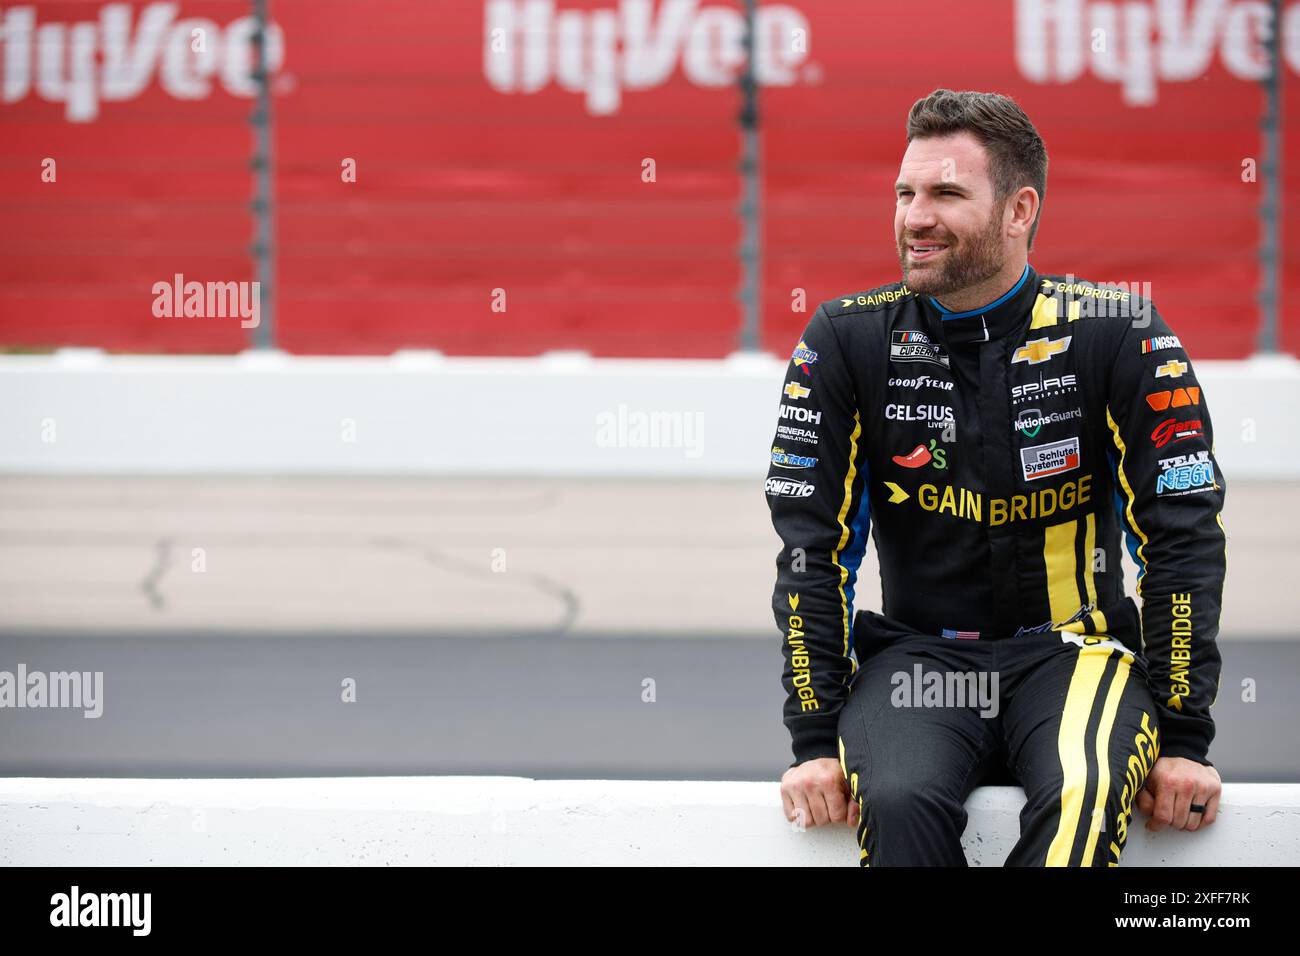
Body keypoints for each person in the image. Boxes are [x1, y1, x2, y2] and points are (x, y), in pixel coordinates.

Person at [765, 88, 1226, 866]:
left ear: (1019, 211)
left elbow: (1181, 538)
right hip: (918, 660)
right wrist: (812, 737)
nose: (914, 216)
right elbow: (811, 551)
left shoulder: (1120, 331)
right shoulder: (844, 339)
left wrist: (1185, 735)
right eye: (905, 193)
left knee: (1083, 790)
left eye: (946, 193)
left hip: (1074, 654)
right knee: (900, 799)